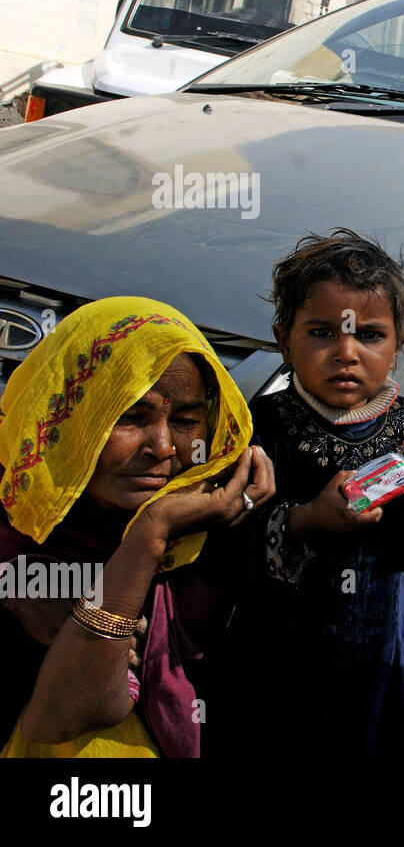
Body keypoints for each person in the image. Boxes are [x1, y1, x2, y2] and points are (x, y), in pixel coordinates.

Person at [229, 228, 404, 757]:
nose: (346, 353)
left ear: (399, 343)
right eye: (321, 333)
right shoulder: (261, 428)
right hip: (280, 664)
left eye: (370, 335)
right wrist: (305, 520)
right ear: (282, 337)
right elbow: (226, 539)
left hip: (379, 663)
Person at [0, 296, 273, 757]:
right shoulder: (18, 536)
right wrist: (149, 537)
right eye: (130, 417)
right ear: (68, 420)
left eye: (186, 420)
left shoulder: (223, 528)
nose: (163, 447)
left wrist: (156, 525)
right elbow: (69, 714)